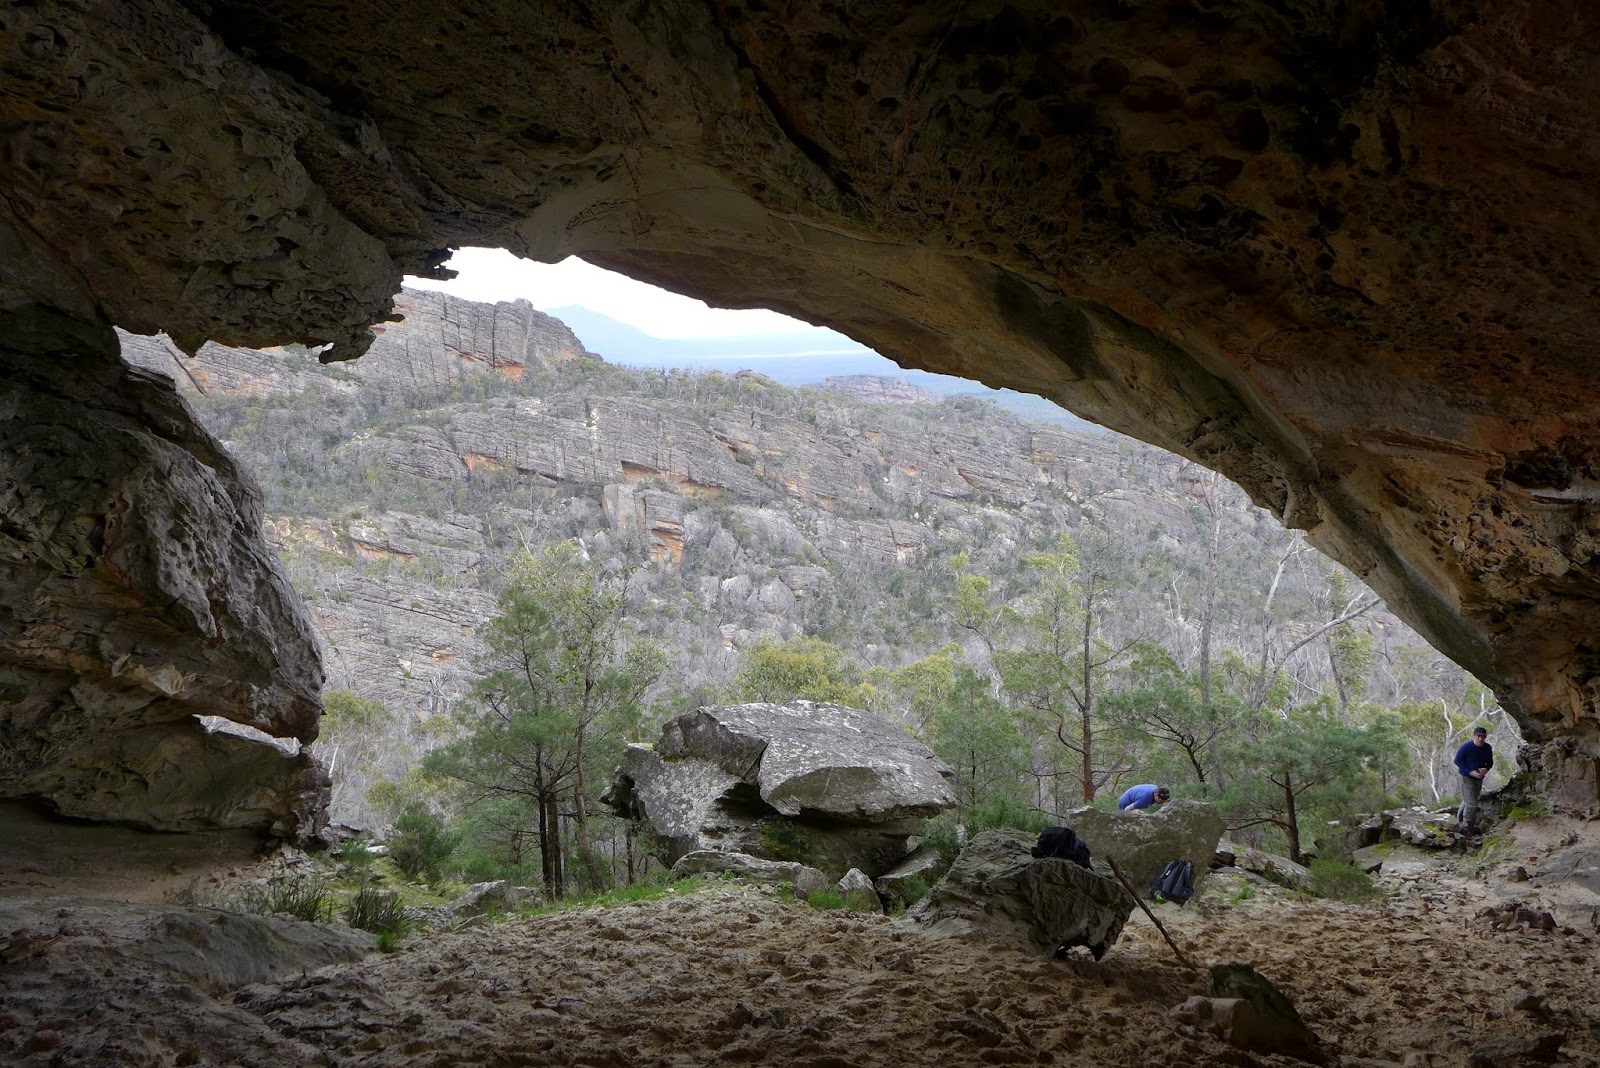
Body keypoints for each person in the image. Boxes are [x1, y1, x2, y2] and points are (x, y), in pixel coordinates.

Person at [1454, 726, 1493, 833]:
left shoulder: (1487, 748)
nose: (1480, 739)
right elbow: (1457, 761)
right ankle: (1467, 829)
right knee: (1472, 805)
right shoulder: (1466, 747)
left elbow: (1490, 762)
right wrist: (1470, 772)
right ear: (1474, 736)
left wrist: (1485, 770)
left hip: (1479, 778)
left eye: (1483, 737)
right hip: (1466, 778)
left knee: (1468, 801)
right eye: (1478, 736)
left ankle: (1459, 821)